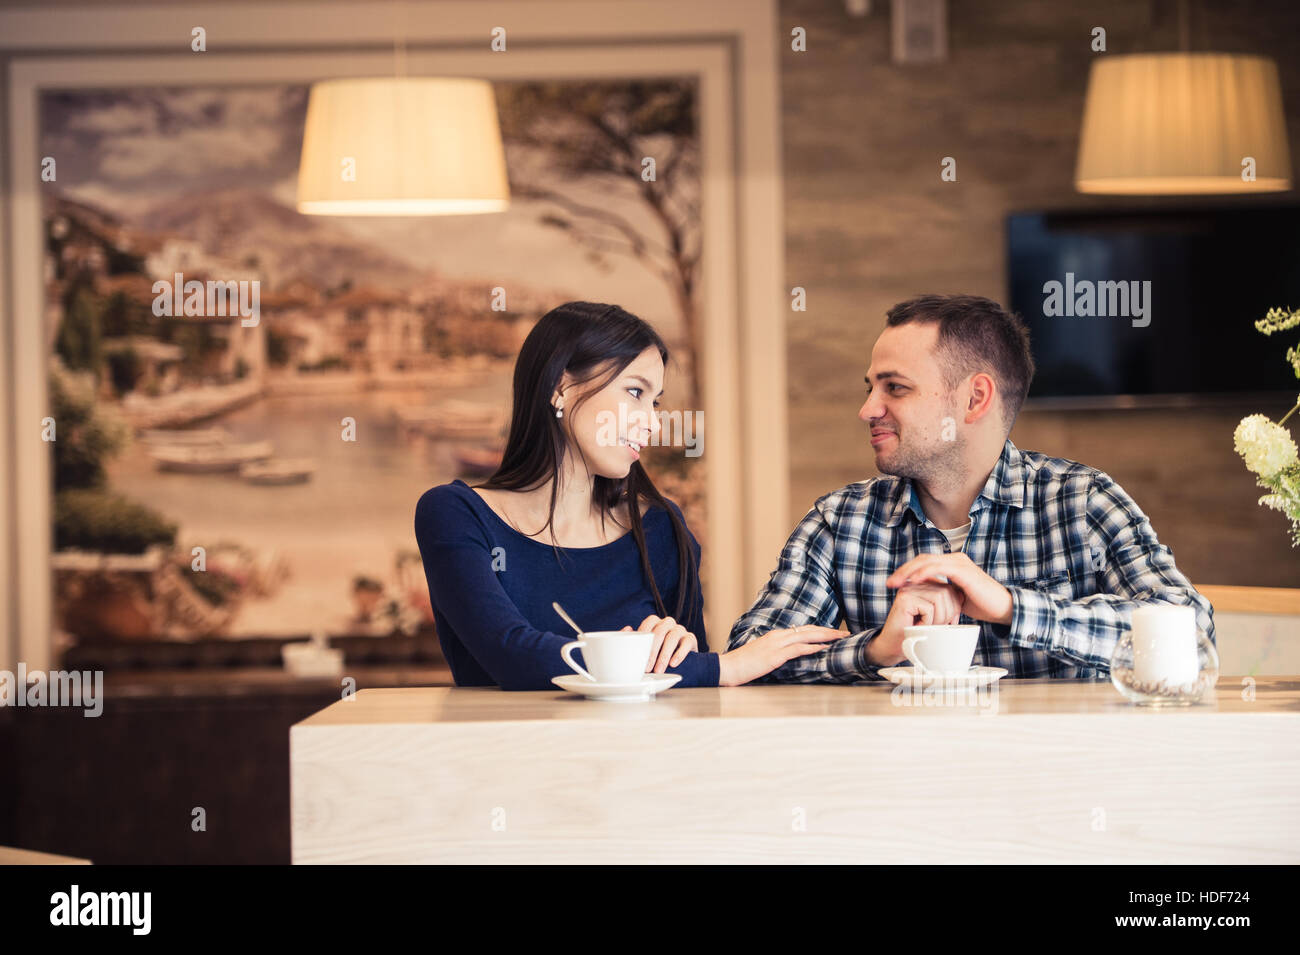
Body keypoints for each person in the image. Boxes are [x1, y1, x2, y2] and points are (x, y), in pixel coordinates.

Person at [729, 293, 1215, 683]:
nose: (868, 409)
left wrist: (1011, 606)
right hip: (895, 771)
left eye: (895, 387)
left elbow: (1190, 632)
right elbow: (750, 655)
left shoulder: (1081, 502)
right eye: (870, 388)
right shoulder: (841, 521)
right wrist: (876, 650)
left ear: (974, 398)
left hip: (1057, 769)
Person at [415, 301, 841, 690]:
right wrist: (721, 668)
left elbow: (686, 691)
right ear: (560, 387)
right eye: (635, 392)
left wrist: (680, 649)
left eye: (655, 403)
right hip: (503, 751)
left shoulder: (660, 528)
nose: (652, 424)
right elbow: (510, 655)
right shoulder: (455, 514)